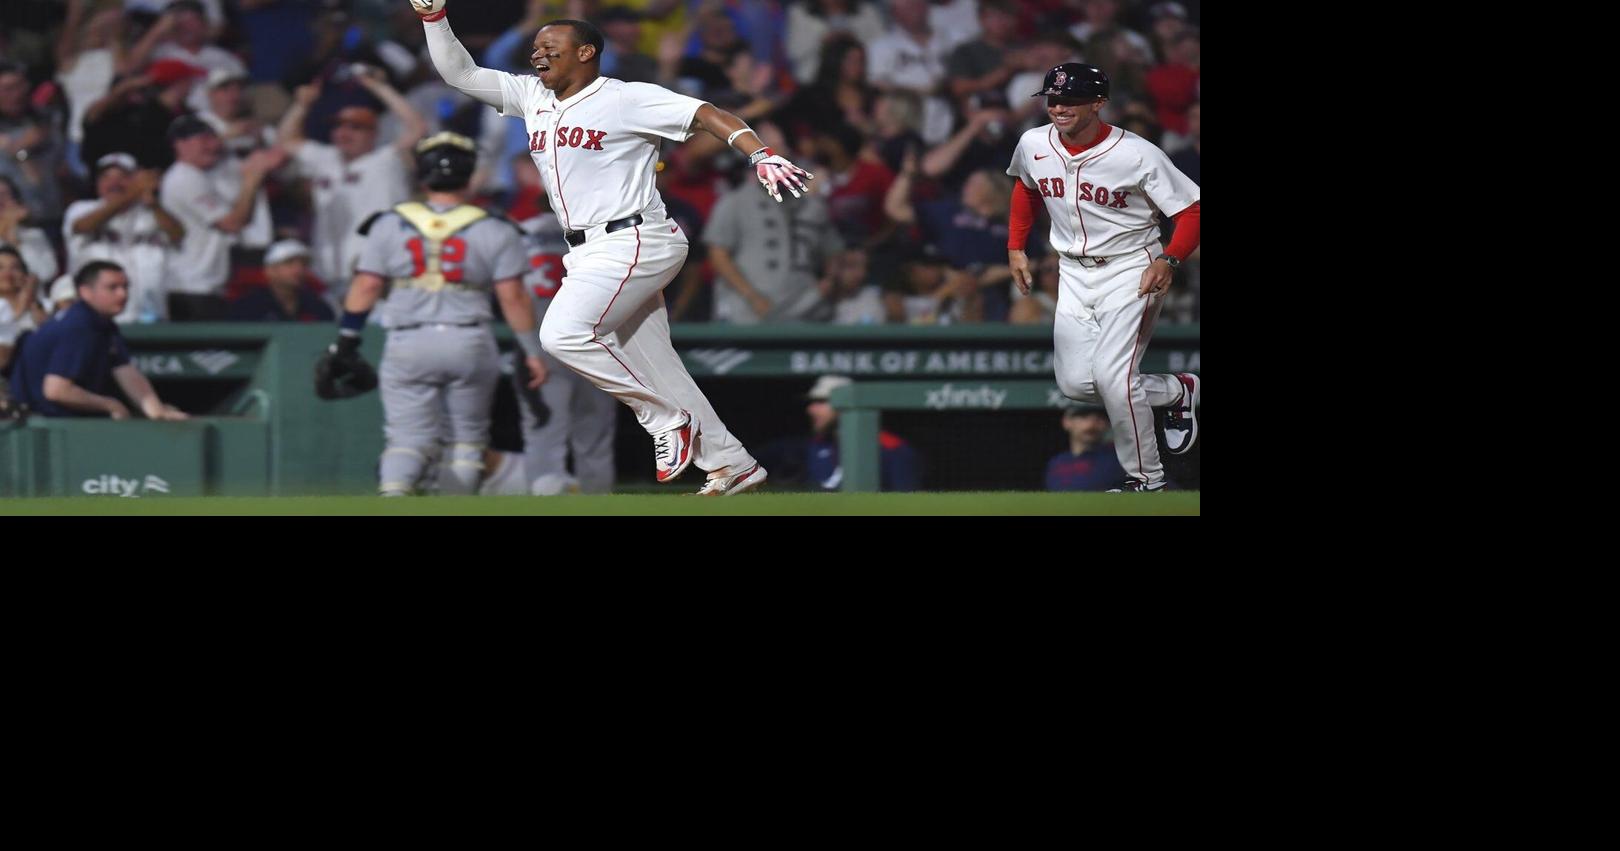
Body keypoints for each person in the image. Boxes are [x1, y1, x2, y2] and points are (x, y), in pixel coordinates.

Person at [418, 6, 816, 495]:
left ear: (585, 53)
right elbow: (460, 73)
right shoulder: (532, 96)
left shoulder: (627, 98)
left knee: (562, 334)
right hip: (588, 250)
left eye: (551, 47)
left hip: (634, 237)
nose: (538, 53)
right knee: (658, 367)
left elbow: (705, 114)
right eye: (536, 47)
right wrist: (434, 17)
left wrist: (759, 152)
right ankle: (733, 463)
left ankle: (664, 420)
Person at [1005, 63, 1201, 492]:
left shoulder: (1137, 153)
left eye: (1071, 100)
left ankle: (1146, 478)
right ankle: (1175, 391)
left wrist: (1169, 260)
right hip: (1072, 273)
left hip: (1132, 266)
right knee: (1076, 384)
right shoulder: (1033, 142)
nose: (1059, 107)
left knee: (1114, 379)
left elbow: (1192, 210)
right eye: (1053, 99)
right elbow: (1025, 187)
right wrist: (1016, 247)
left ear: (1098, 102)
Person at [323, 131, 546, 497]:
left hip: (409, 338)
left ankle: (394, 497)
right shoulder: (495, 226)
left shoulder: (388, 222)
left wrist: (346, 340)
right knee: (466, 441)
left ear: (423, 174)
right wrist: (531, 351)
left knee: (406, 438)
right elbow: (514, 298)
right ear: (469, 173)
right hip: (468, 338)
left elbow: (365, 287)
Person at [278, 69, 427, 294]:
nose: (344, 132)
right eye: (338, 125)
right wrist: (302, 105)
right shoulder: (325, 158)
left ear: (373, 133)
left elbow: (417, 128)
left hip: (381, 276)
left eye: (355, 127)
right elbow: (286, 141)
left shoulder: (385, 160)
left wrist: (379, 87)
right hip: (329, 274)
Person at [515, 202, 617, 495]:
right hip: (594, 340)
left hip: (541, 341)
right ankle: (598, 505)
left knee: (545, 435)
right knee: (595, 436)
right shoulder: (602, 232)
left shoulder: (520, 232)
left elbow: (509, 291)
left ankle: (546, 504)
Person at [7, 260, 188, 420]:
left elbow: (124, 369)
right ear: (85, 292)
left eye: (125, 287)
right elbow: (56, 390)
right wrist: (109, 405)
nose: (122, 294)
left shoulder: (103, 323)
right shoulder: (78, 325)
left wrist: (156, 411)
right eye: (112, 288)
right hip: (41, 427)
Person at [159, 114, 283, 320]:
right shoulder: (183, 178)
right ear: (180, 145)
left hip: (206, 285)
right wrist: (252, 179)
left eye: (214, 139)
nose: (213, 145)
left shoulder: (202, 174)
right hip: (190, 287)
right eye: (204, 140)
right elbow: (233, 223)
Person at [704, 153, 843, 323]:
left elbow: (833, 249)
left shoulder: (813, 206)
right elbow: (718, 254)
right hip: (746, 312)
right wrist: (751, 295)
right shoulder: (734, 201)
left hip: (805, 307)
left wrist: (828, 280)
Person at [61, 152, 184, 324]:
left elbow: (178, 235)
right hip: (95, 321)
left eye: (123, 177)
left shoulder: (151, 215)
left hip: (151, 316)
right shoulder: (82, 209)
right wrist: (134, 192)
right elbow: (82, 226)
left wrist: (153, 203)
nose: (114, 183)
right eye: (106, 177)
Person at [804, 375, 919, 491]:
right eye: (812, 402)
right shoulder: (817, 444)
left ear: (846, 402)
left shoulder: (890, 448)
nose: (811, 409)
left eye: (821, 401)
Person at [227, 239, 335, 322]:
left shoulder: (317, 306)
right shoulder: (249, 307)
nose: (298, 269)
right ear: (270, 270)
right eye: (289, 263)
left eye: (304, 264)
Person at [1044, 403, 1126, 491]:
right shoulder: (1056, 463)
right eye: (1083, 416)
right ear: (1066, 422)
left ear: (1108, 424)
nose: (1091, 424)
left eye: (1100, 417)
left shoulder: (1122, 459)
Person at [0, 174, 59, 285]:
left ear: (16, 200)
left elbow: (45, 274)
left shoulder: (34, 235)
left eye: (5, 194)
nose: (0, 200)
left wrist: (15, 242)